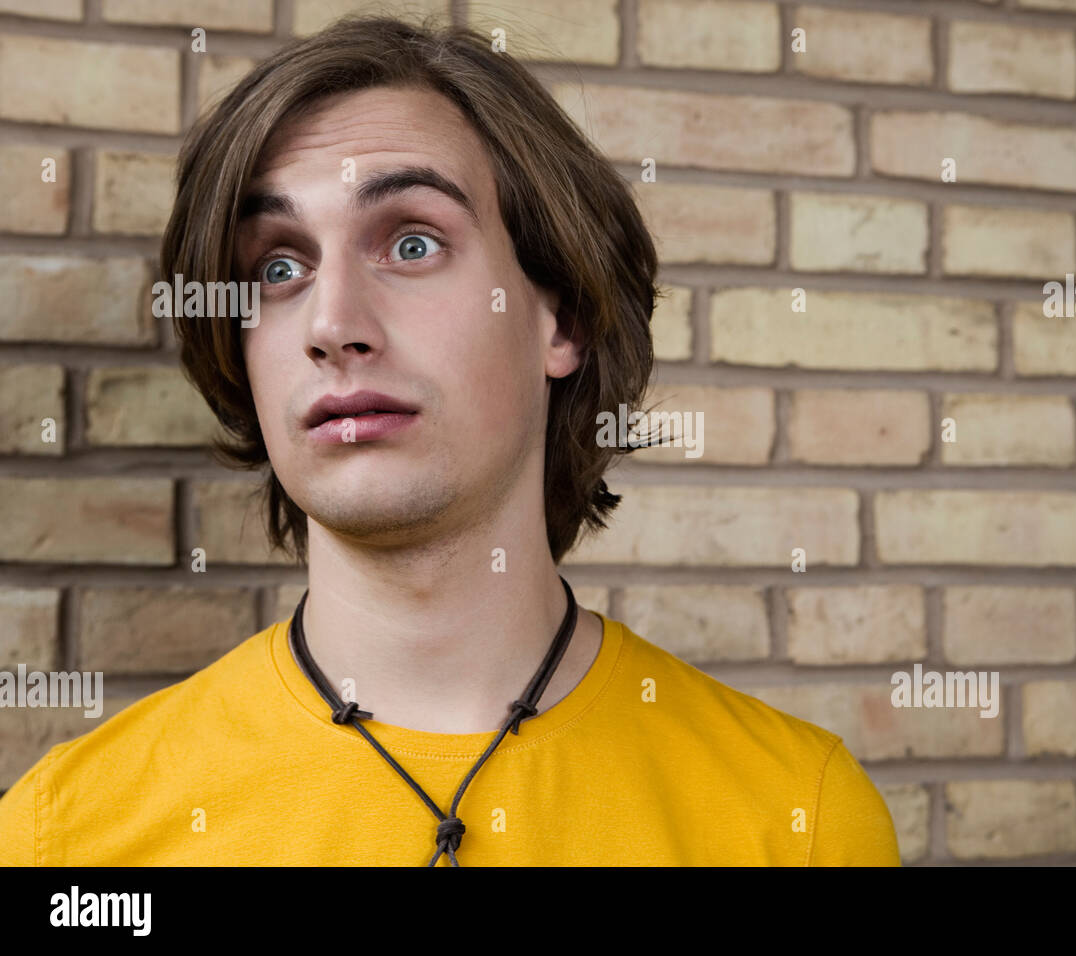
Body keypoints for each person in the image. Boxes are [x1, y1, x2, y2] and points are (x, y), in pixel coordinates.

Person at [0, 15, 899, 866]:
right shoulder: (65, 836)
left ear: (563, 318)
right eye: (277, 266)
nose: (332, 323)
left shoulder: (799, 819)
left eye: (413, 244)